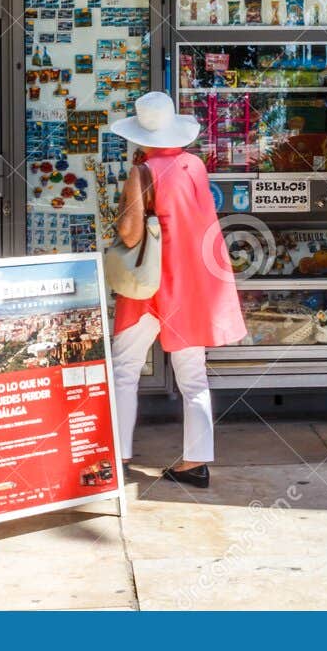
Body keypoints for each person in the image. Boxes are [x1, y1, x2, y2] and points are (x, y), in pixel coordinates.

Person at [109, 91, 246, 488]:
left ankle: (118, 457)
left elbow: (129, 234)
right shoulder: (195, 166)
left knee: (124, 370)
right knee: (194, 378)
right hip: (192, 284)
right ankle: (196, 462)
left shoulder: (142, 172)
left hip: (151, 284)